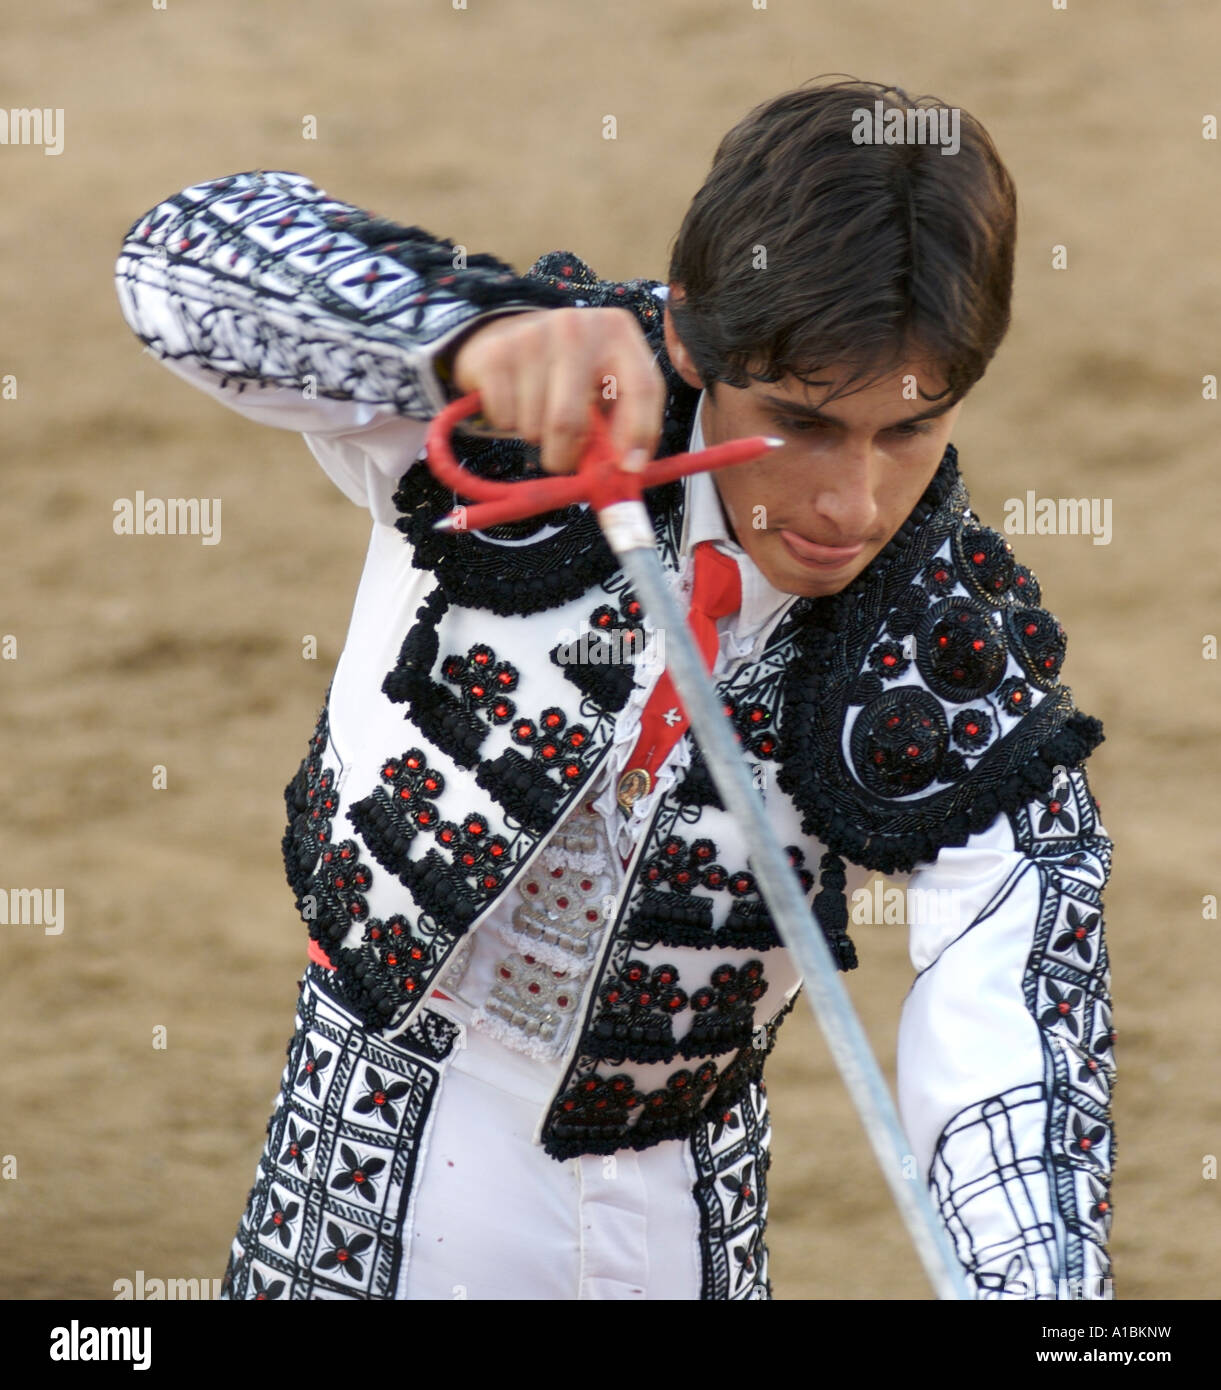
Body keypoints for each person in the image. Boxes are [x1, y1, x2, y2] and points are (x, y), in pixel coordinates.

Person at [114, 76, 1115, 1301]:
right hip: (375, 1148)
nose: (849, 504)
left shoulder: (955, 647)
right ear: (693, 333)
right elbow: (181, 257)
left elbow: (1012, 1022)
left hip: (690, 1206)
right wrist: (457, 331)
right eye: (799, 422)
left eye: (907, 431)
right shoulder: (532, 387)